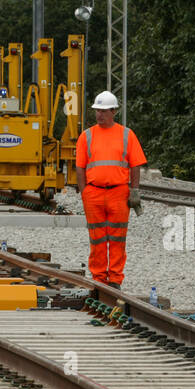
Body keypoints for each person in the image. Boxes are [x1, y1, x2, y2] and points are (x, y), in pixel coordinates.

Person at [74, 90, 146, 286]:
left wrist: (135, 191)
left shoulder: (126, 135)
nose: (99, 115)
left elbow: (135, 164)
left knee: (117, 238)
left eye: (104, 111)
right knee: (97, 238)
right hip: (94, 193)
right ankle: (98, 278)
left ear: (114, 111)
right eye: (97, 110)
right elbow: (79, 167)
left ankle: (114, 279)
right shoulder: (86, 136)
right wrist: (85, 192)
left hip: (118, 193)